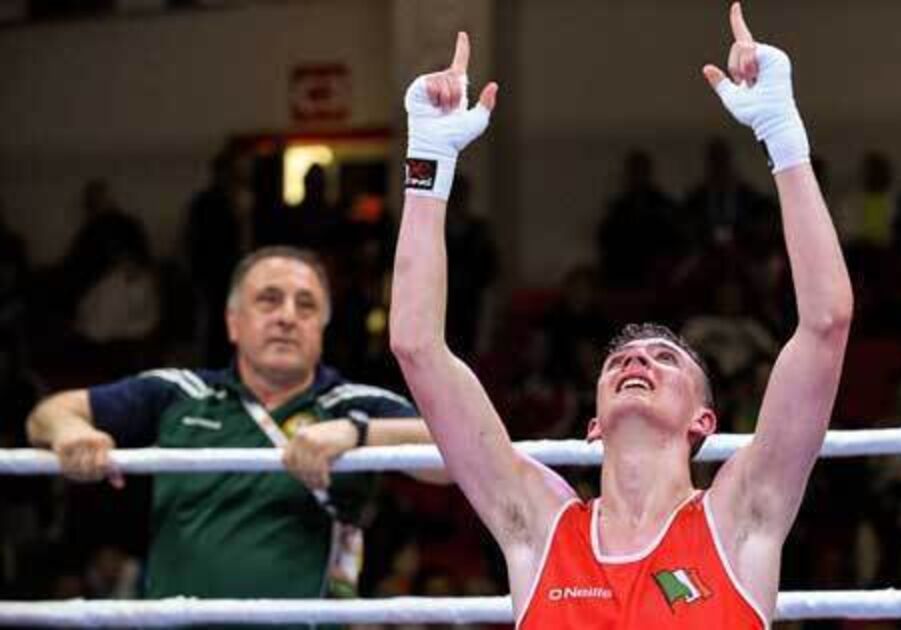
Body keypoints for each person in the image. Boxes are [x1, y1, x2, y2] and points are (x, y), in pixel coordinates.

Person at [390, 5, 852, 627]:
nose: (637, 359)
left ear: (703, 421)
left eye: (666, 359)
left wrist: (781, 129)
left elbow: (825, 324)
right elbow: (417, 347)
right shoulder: (538, 526)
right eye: (620, 361)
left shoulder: (740, 517)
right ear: (593, 426)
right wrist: (428, 165)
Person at [27, 246, 441, 619]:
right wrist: (70, 433)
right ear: (232, 323)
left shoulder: (352, 403)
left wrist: (359, 431)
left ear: (322, 329)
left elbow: (458, 459)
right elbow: (48, 413)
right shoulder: (179, 392)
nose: (287, 316)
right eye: (268, 299)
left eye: (307, 305)